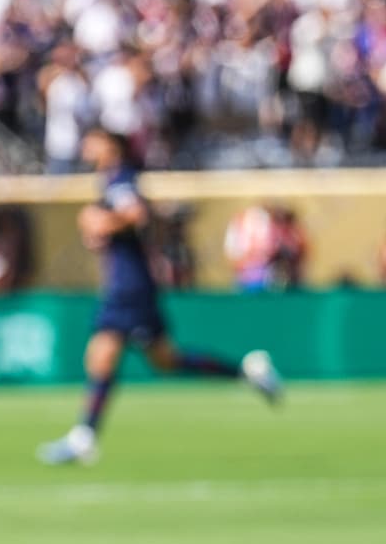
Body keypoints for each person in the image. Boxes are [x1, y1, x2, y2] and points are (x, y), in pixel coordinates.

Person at [38, 128, 283, 466]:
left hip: (129, 286)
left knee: (103, 352)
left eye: (93, 140)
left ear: (111, 146)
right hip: (131, 284)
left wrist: (100, 222)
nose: (85, 146)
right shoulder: (111, 180)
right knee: (165, 360)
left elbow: (135, 213)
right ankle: (247, 372)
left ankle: (84, 437)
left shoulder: (119, 178)